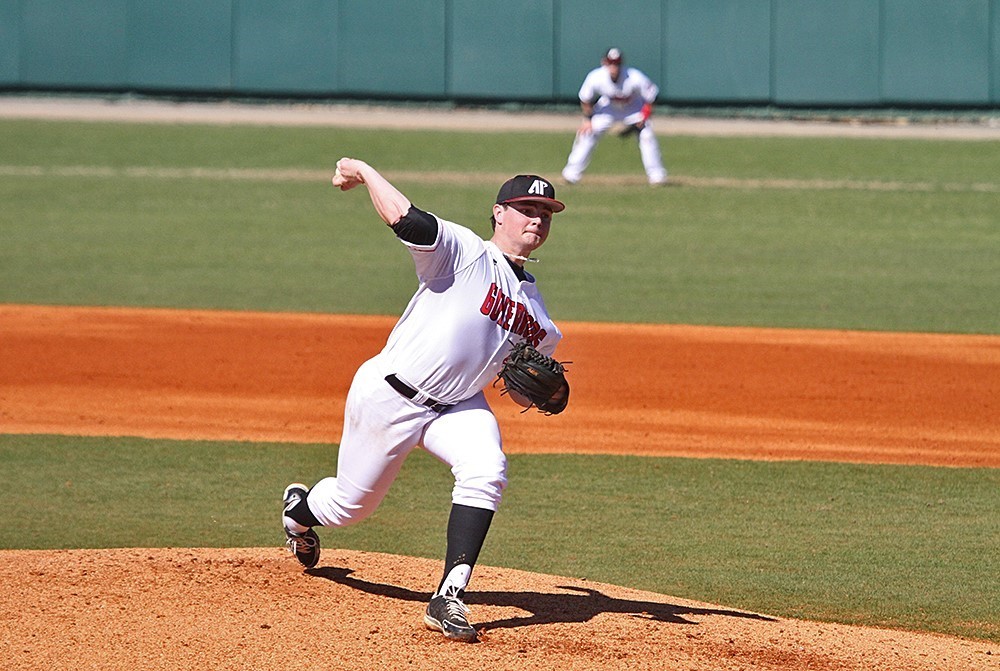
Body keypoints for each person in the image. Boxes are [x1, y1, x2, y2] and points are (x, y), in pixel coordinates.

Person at [281, 158, 570, 643]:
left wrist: (555, 392)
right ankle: (299, 511)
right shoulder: (463, 251)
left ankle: (449, 596)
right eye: (526, 208)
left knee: (487, 469)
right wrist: (363, 170)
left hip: (457, 406)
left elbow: (538, 387)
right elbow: (406, 219)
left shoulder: (541, 320)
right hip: (389, 395)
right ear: (499, 214)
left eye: (546, 212)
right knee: (351, 507)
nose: (537, 219)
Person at [561, 47, 668, 186]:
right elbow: (585, 99)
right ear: (604, 63)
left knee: (647, 135)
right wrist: (588, 120)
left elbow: (652, 96)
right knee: (587, 132)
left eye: (616, 63)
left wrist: (645, 115)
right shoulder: (596, 77)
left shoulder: (634, 77)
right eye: (610, 63)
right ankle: (571, 174)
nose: (613, 67)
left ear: (621, 64)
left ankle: (657, 176)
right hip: (608, 109)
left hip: (633, 110)